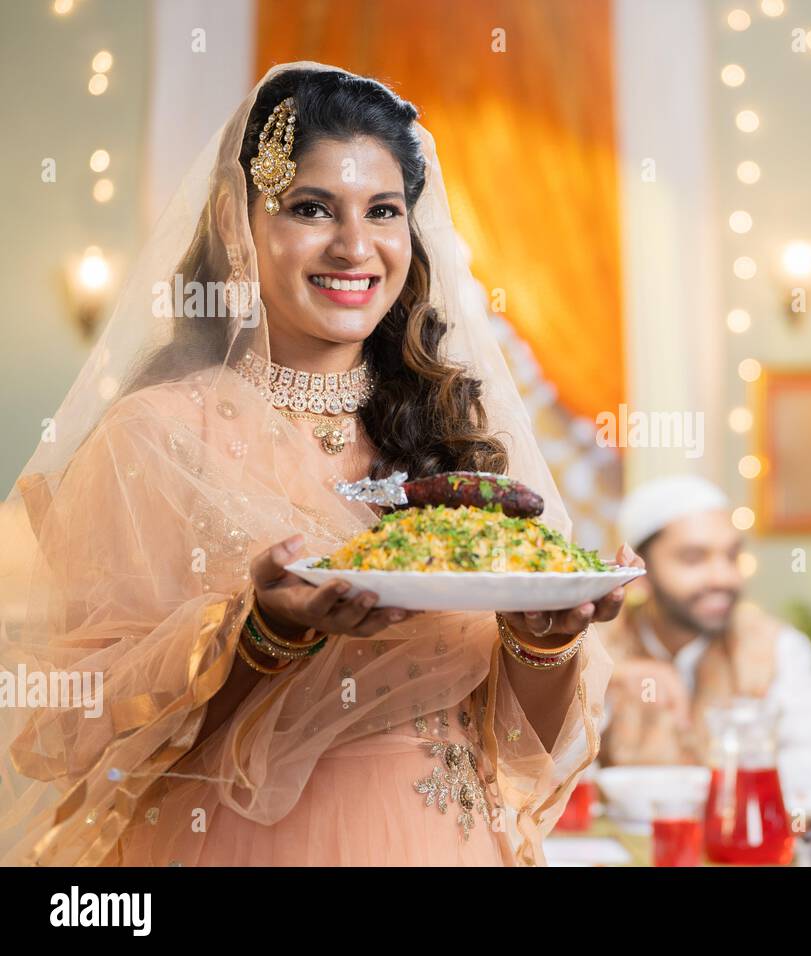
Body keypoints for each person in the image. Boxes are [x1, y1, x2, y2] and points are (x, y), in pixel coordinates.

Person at [0, 63, 635, 866]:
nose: (354, 246)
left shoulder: (454, 438)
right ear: (240, 224)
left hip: (445, 842)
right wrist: (263, 632)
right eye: (311, 209)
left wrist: (545, 638)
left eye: (382, 212)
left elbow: (518, 744)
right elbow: (81, 730)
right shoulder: (154, 440)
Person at [598, 475, 811, 798]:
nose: (723, 577)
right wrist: (604, 680)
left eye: (732, 556)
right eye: (693, 558)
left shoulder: (776, 647)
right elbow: (546, 774)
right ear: (638, 572)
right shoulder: (596, 648)